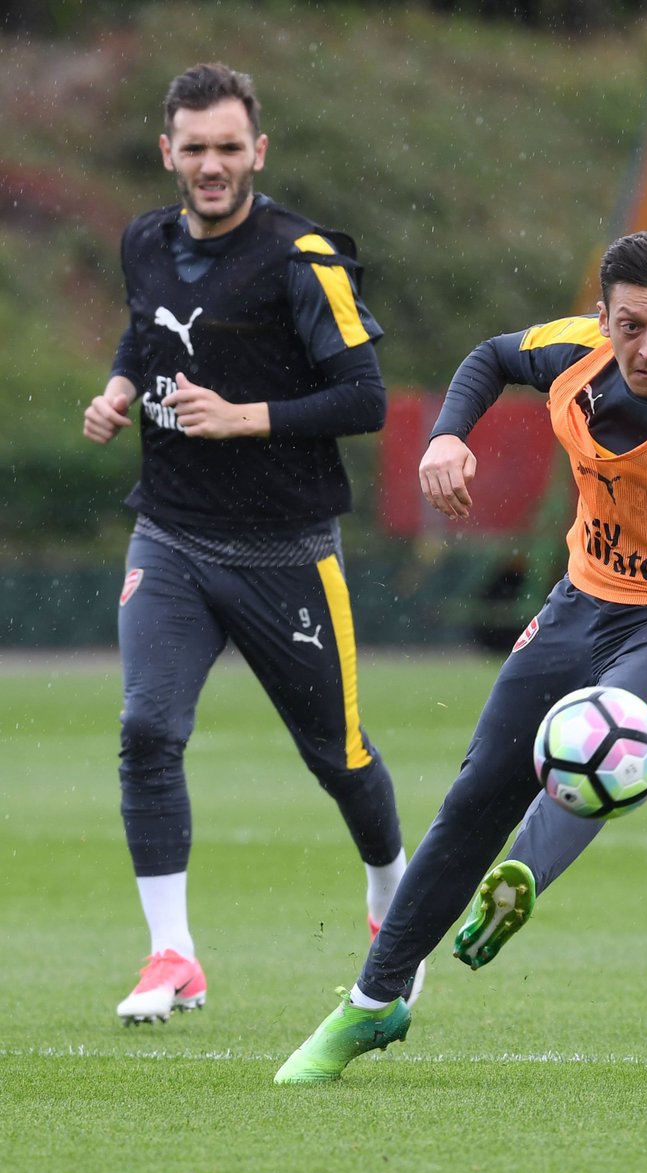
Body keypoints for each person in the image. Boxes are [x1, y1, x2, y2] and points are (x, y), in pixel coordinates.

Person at [274, 229, 647, 1084]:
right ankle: (374, 1001)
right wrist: (447, 436)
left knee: (607, 733)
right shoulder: (576, 355)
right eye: (631, 327)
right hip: (582, 599)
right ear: (603, 320)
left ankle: (522, 874)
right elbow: (491, 357)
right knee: (475, 795)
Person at [83, 63, 421, 1025]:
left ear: (258, 151)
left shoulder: (303, 259)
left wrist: (246, 417)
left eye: (229, 147)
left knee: (339, 758)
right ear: (167, 152)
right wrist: (119, 388)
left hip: (286, 552)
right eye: (194, 148)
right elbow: (145, 331)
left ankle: (393, 904)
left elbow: (365, 398)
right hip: (171, 538)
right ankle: (173, 956)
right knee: (148, 731)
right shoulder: (143, 241)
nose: (212, 164)